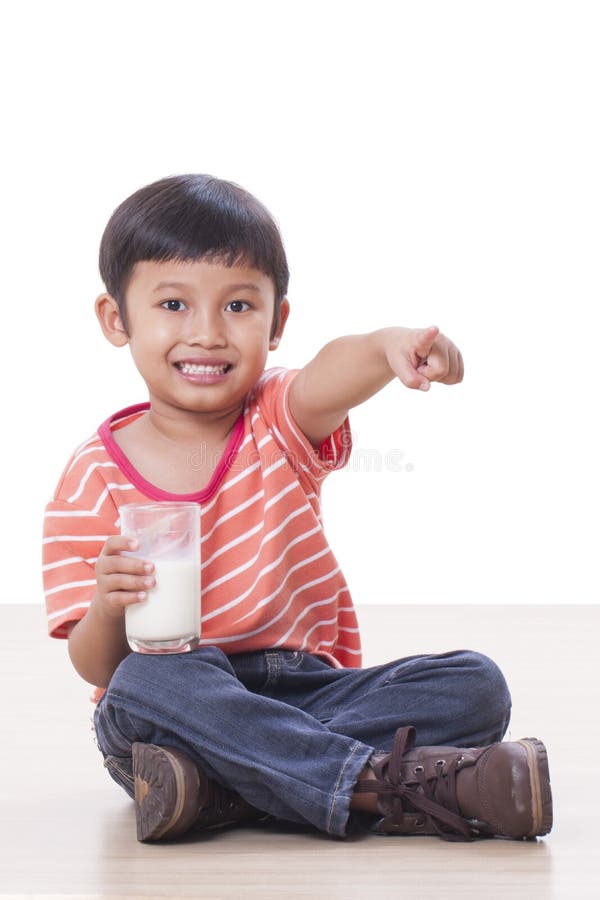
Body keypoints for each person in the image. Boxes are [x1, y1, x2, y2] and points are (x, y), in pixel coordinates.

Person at [42, 174, 552, 844]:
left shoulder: (277, 421)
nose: (207, 333)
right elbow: (97, 667)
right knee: (143, 683)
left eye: (239, 307)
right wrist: (109, 607)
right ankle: (382, 784)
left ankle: (225, 790)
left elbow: (329, 374)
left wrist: (384, 347)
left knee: (475, 685)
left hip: (307, 691)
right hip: (182, 705)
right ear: (117, 319)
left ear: (277, 322)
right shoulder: (93, 476)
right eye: (172, 303)